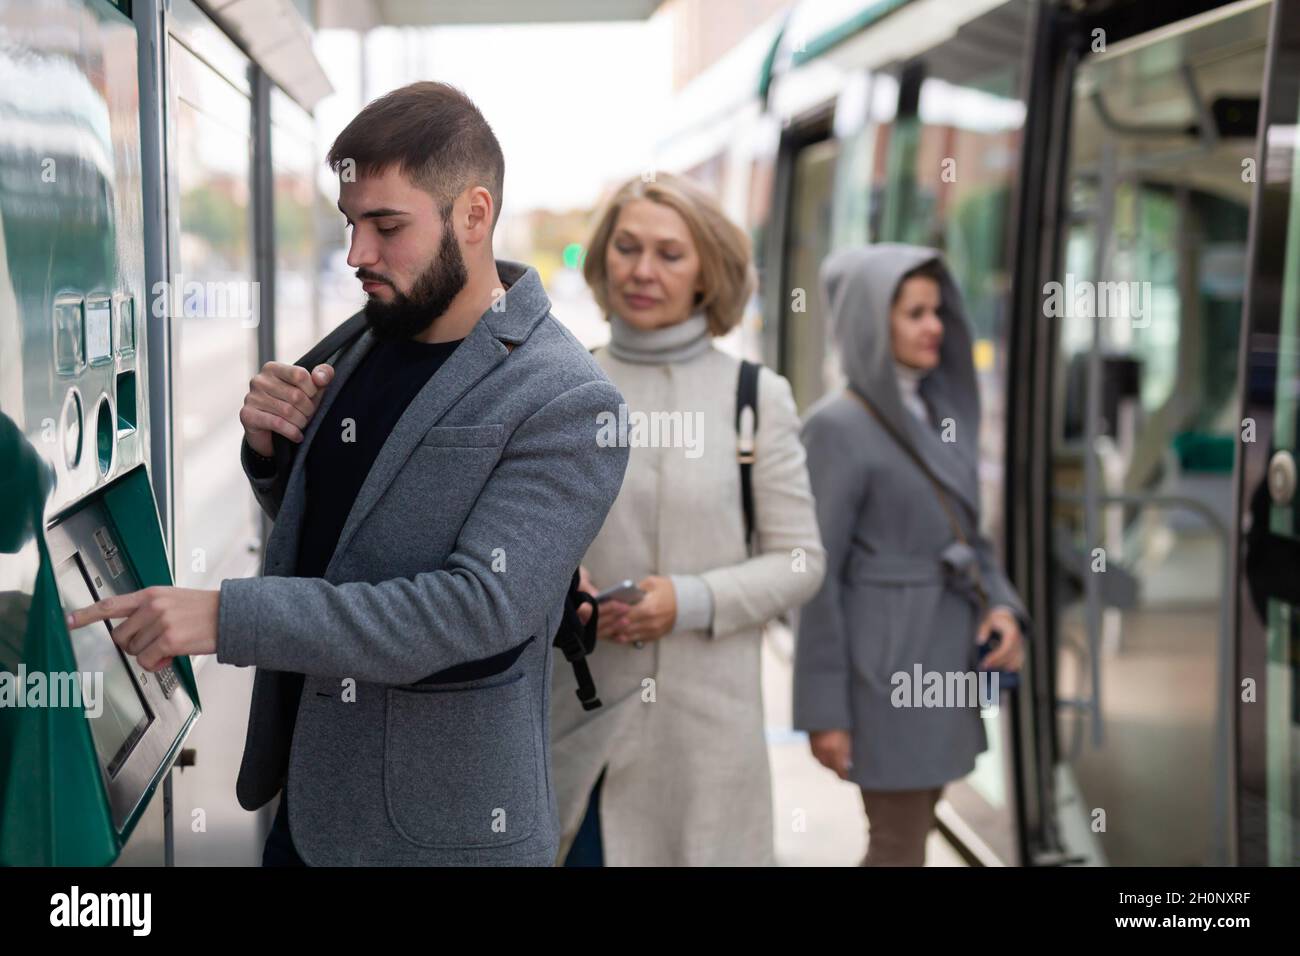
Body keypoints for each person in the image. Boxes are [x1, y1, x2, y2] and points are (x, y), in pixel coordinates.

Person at [66, 81, 629, 866]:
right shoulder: (366, 336)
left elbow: (474, 613)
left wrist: (226, 618)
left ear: (473, 214)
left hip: (437, 838)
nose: (357, 254)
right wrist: (273, 453)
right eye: (350, 225)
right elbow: (344, 529)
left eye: (386, 225)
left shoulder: (566, 399)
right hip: (311, 801)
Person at [550, 172, 826, 866]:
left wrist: (690, 600)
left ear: (707, 273)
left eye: (670, 255)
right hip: (577, 736)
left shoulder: (755, 396)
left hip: (705, 750)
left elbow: (801, 562)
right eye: (627, 247)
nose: (643, 271)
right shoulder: (560, 384)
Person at [794, 244, 1028, 867]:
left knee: (913, 834)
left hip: (944, 658)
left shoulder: (937, 411)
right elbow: (816, 578)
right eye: (914, 314)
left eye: (937, 311)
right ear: (872, 322)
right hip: (884, 673)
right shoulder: (835, 427)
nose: (935, 327)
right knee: (897, 843)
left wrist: (1003, 608)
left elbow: (971, 537)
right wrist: (825, 711)